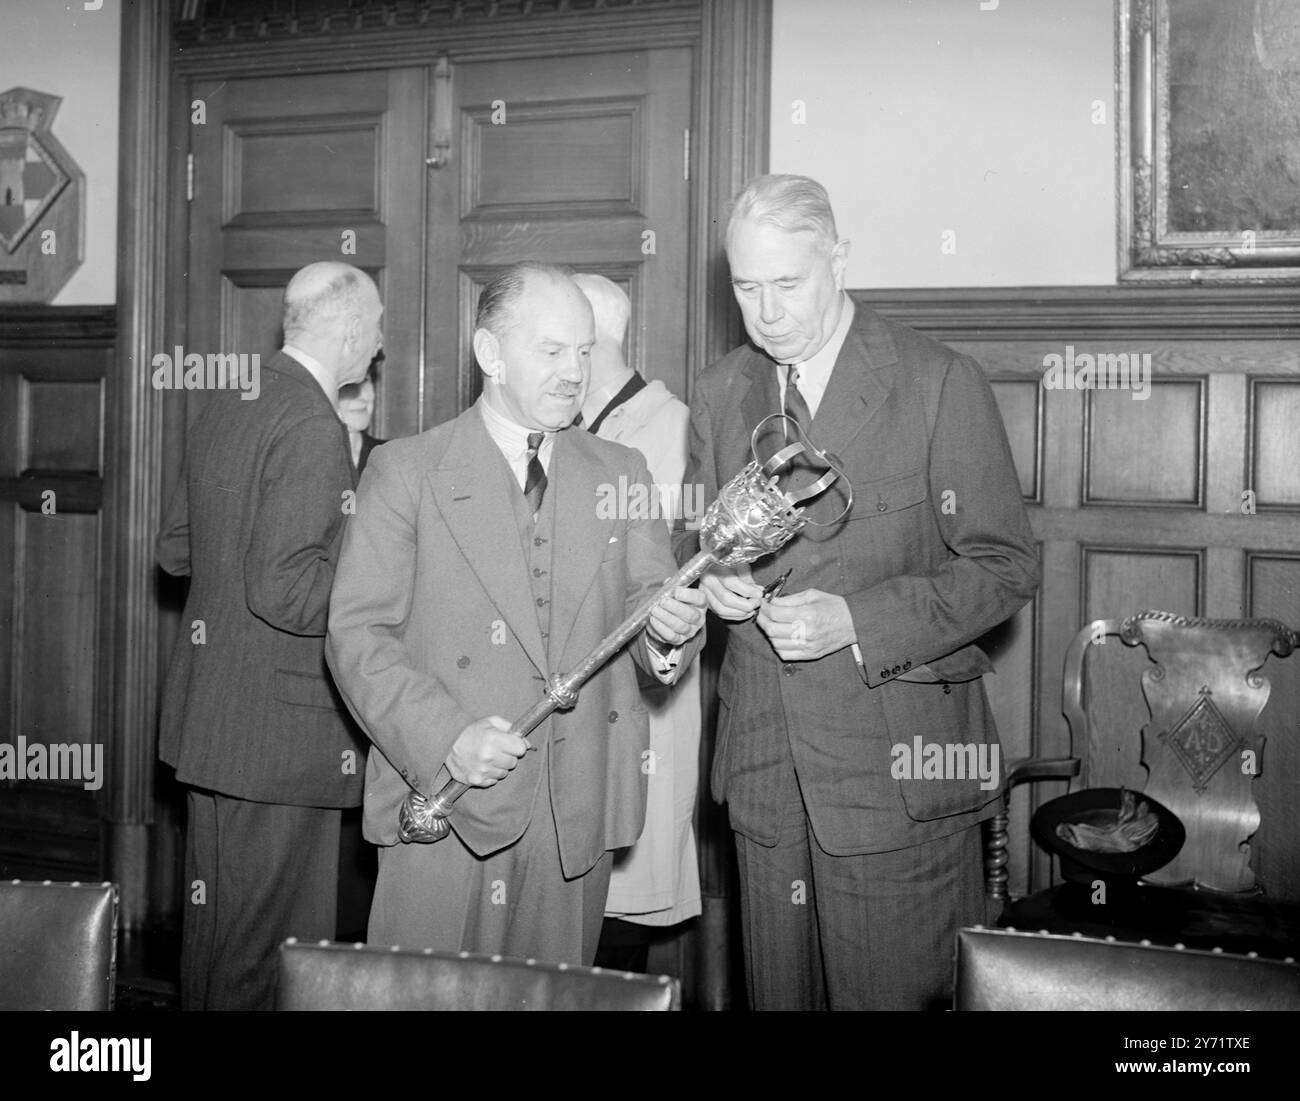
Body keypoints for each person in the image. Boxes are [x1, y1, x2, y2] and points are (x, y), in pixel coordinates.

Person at [676, 175, 1039, 1010]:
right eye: (744, 286)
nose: (764, 312)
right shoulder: (721, 388)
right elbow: (699, 540)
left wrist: (857, 620)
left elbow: (1004, 565)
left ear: (838, 259)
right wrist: (717, 579)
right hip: (766, 777)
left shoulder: (938, 380)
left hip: (896, 780)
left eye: (786, 284)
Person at [326, 261, 707, 966]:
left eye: (585, 352)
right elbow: (357, 636)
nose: (575, 372)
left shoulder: (620, 470)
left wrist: (670, 632)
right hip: (444, 801)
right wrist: (447, 738)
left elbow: (649, 608)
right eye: (552, 350)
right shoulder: (408, 471)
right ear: (490, 354)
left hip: (573, 816)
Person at [157, 261, 384, 1010]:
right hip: (282, 741)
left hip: (212, 722)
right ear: (350, 328)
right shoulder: (314, 422)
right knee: (268, 961)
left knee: (217, 945)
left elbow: (175, 548)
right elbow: (285, 587)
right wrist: (378, 593)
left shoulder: (232, 400)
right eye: (377, 330)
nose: (378, 347)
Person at [572, 274, 702, 970]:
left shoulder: (671, 428)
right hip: (575, 711)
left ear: (586, 343)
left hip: (638, 705)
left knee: (617, 922)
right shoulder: (571, 425)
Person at [338, 362, 384, 473]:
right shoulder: (304, 457)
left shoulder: (391, 455)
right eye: (349, 385)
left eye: (366, 381)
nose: (363, 396)